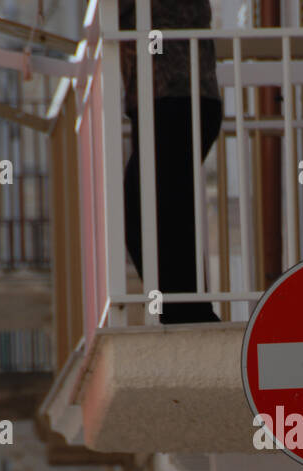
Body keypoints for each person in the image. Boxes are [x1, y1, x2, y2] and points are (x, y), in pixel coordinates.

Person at [121, 0, 224, 324]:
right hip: (169, 101)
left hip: (176, 100)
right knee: (165, 212)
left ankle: (187, 313)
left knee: (150, 210)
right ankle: (188, 311)